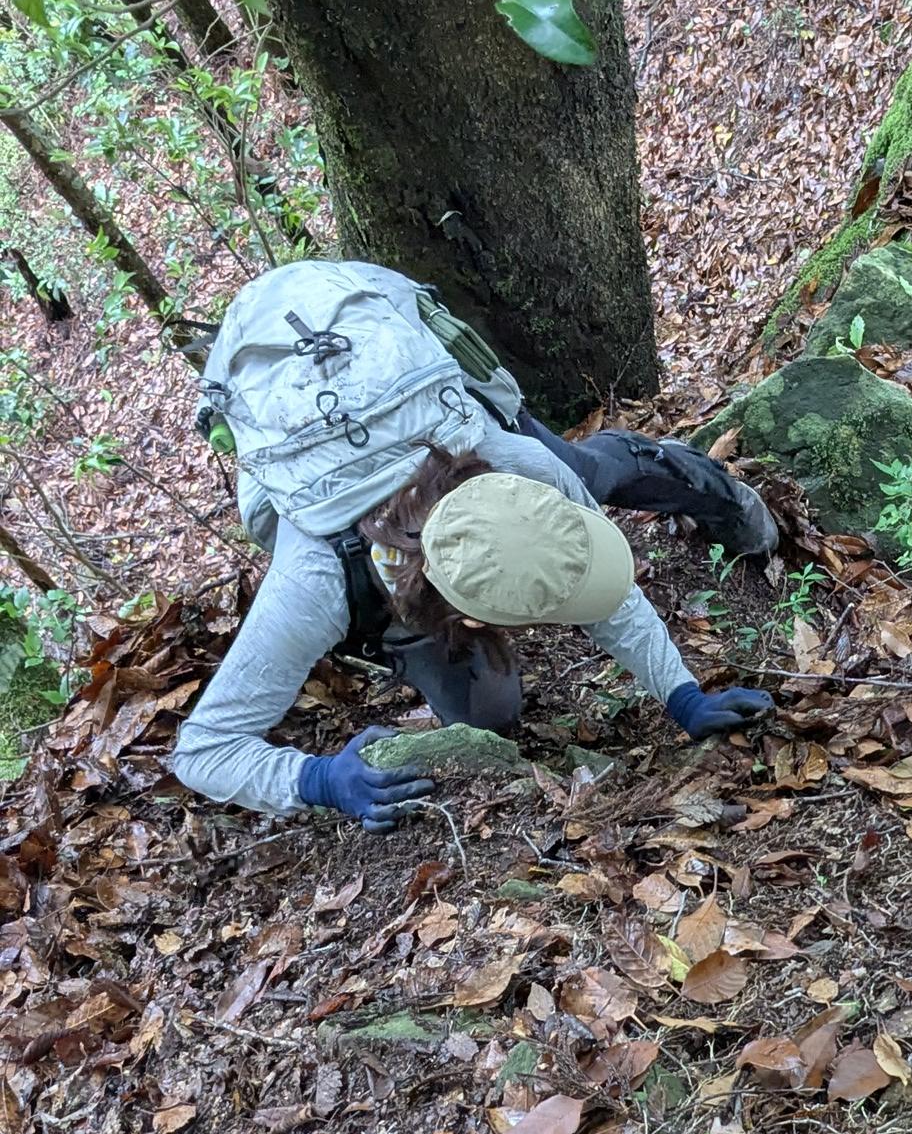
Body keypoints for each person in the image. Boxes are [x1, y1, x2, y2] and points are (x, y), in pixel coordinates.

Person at [172, 259, 777, 830]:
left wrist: (681, 693)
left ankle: (682, 474)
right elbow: (204, 750)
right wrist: (318, 779)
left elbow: (589, 574)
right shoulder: (315, 582)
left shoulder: (521, 467)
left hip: (384, 337)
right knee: (487, 715)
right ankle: (426, 636)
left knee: (587, 472)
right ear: (469, 614)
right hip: (285, 395)